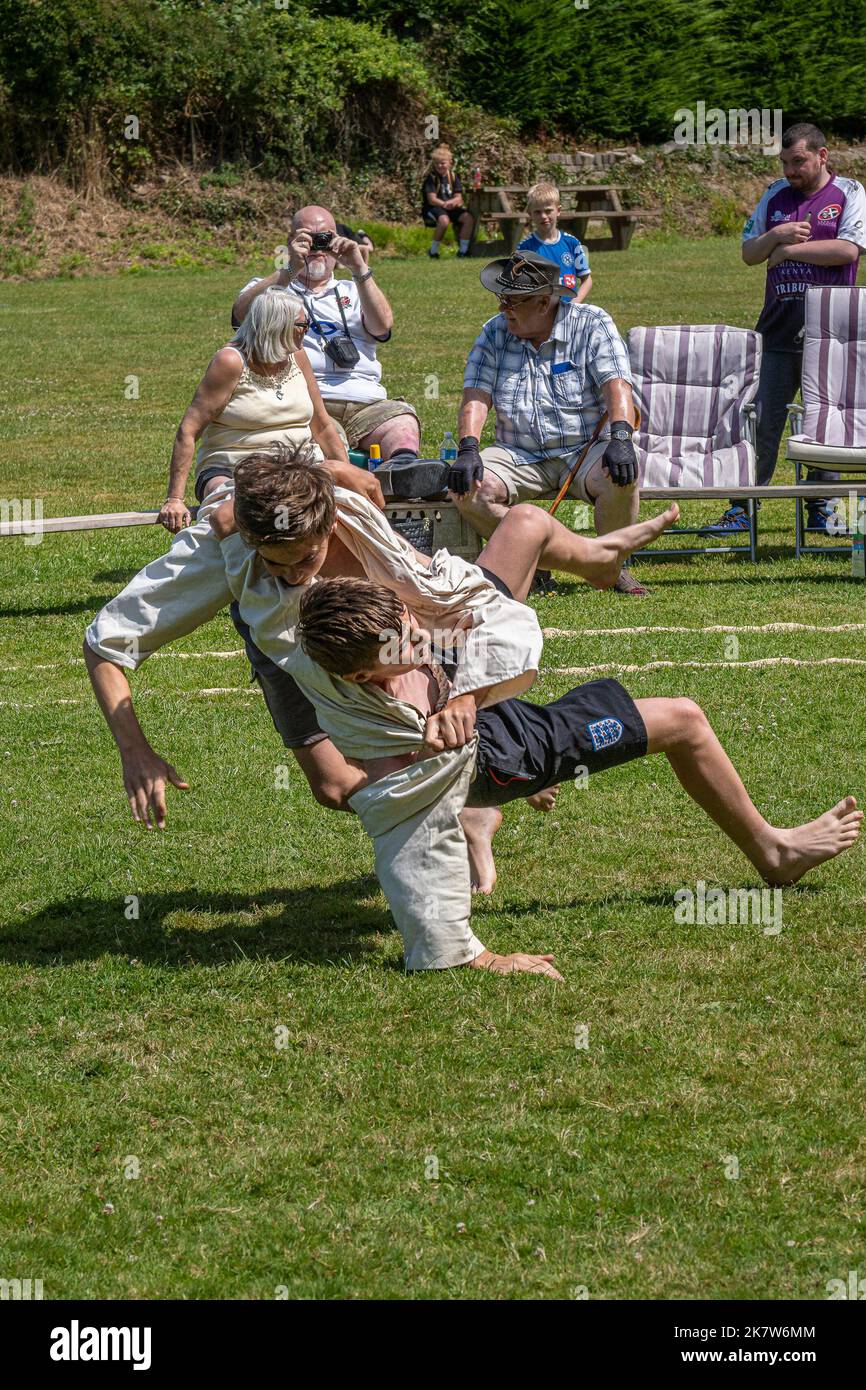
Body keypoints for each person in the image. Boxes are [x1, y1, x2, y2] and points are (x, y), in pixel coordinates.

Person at [83, 450, 676, 929]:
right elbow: (107, 643)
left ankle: (595, 563)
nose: (295, 573)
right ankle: (473, 798)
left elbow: (352, 477)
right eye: (277, 562)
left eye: (307, 557)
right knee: (338, 788)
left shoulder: (347, 503)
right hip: (296, 652)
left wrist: (333, 472)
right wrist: (136, 752)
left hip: (403, 622)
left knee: (493, 603)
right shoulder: (222, 548)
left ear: (328, 518)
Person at [296, 573, 863, 978]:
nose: (420, 639)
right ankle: (774, 853)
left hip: (506, 726)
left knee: (528, 527)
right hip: (505, 754)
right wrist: (470, 955)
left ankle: (480, 811)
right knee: (684, 721)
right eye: (406, 643)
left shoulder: (370, 649)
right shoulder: (385, 740)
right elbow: (408, 845)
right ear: (366, 674)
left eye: (412, 625)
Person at [448, 250, 648, 596]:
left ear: (543, 302)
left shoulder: (591, 323)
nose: (501, 308)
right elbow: (476, 395)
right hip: (517, 451)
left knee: (619, 477)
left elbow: (617, 384)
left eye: (512, 301)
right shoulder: (494, 333)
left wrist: (620, 437)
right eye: (501, 298)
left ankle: (612, 565)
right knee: (469, 490)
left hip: (583, 449)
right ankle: (538, 559)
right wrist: (468, 447)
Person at [702, 122, 866, 537]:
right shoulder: (775, 194)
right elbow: (749, 253)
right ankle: (743, 508)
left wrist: (790, 249)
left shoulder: (849, 193)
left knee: (825, 420)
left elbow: (848, 249)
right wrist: (775, 234)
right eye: (786, 162)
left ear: (822, 156)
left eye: (799, 161)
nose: (791, 170)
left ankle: (821, 506)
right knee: (762, 419)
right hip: (776, 328)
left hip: (831, 333)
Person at [230, 205, 420, 465]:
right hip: (308, 401)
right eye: (307, 237)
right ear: (290, 242)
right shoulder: (274, 289)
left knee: (403, 426)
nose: (318, 247)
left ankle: (404, 471)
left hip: (367, 402)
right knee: (327, 443)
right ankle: (340, 485)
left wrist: (359, 267)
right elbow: (241, 314)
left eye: (326, 237)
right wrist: (290, 270)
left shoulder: (355, 288)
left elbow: (382, 326)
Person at [157, 288, 349, 533]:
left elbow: (321, 425)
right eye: (303, 324)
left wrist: (346, 475)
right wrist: (175, 499)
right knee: (248, 511)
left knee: (348, 507)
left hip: (298, 468)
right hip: (235, 470)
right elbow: (188, 430)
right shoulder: (231, 362)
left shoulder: (297, 356)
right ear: (276, 326)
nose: (308, 330)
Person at [517, 181, 592, 302]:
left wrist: (574, 305)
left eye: (548, 211)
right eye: (537, 212)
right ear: (530, 214)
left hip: (568, 311)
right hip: (540, 313)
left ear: (558, 210)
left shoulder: (573, 243)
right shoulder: (525, 248)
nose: (543, 216)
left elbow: (587, 280)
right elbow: (518, 285)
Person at [422, 145, 475, 259]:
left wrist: (453, 202)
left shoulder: (454, 176)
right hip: (435, 207)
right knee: (444, 221)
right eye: (437, 164)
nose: (439, 166)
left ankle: (463, 251)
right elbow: (431, 199)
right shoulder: (431, 178)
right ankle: (433, 251)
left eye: (443, 163)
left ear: (450, 163)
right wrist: (444, 204)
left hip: (450, 207)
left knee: (468, 218)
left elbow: (459, 197)